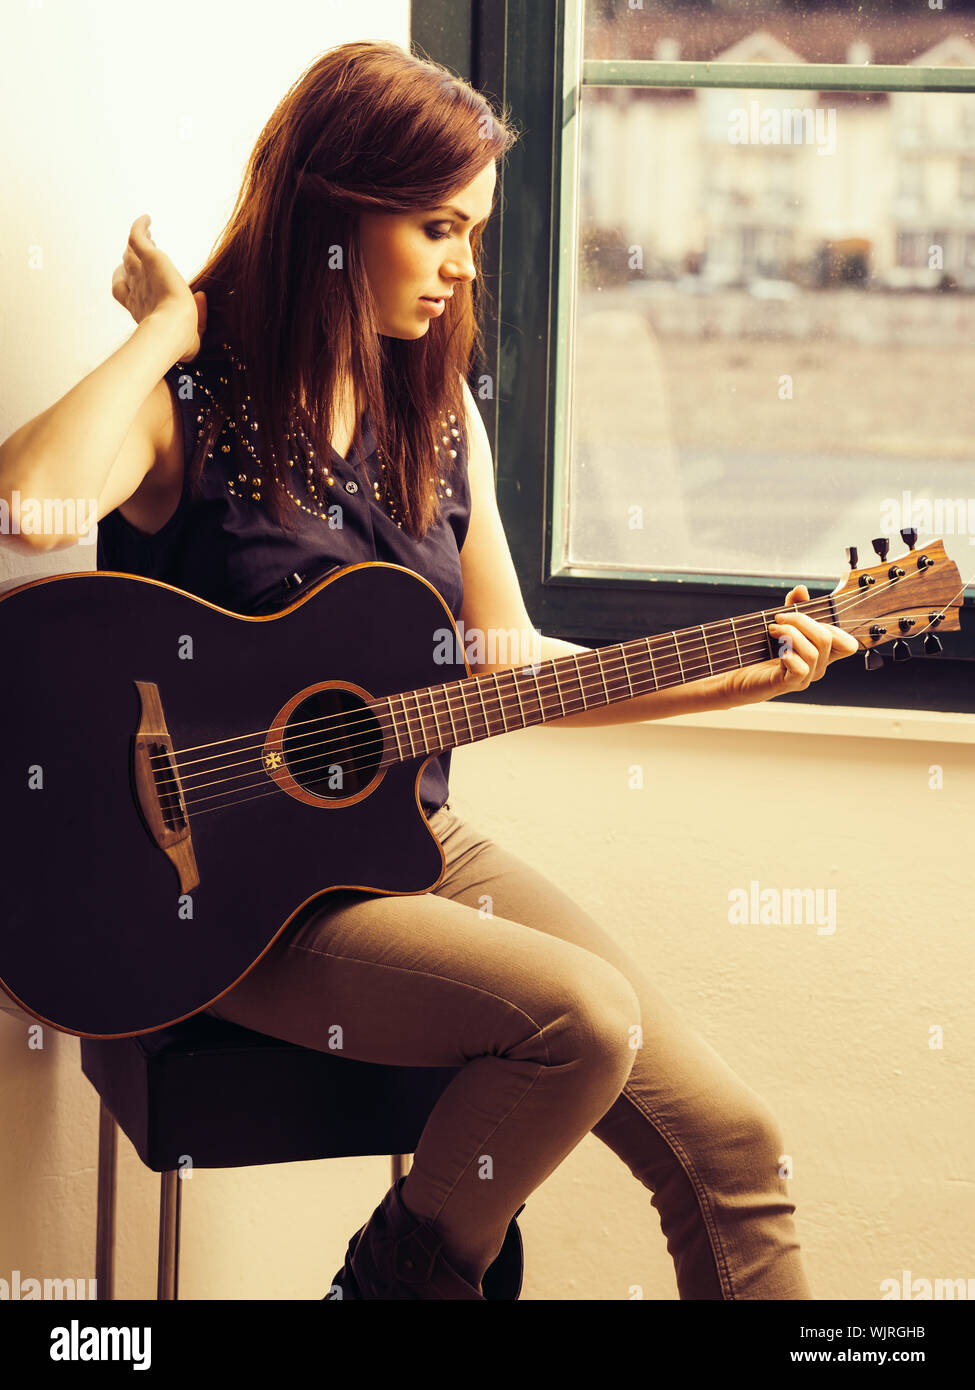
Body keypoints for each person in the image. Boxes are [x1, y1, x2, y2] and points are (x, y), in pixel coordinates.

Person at [0, 39, 858, 1300]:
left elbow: (511, 662)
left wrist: (741, 673)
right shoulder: (192, 397)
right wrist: (169, 324)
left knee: (736, 1143)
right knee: (582, 1015)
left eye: (475, 230)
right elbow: (27, 502)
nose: (465, 264)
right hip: (225, 899)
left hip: (407, 839)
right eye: (439, 226)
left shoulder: (438, 416)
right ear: (336, 210)